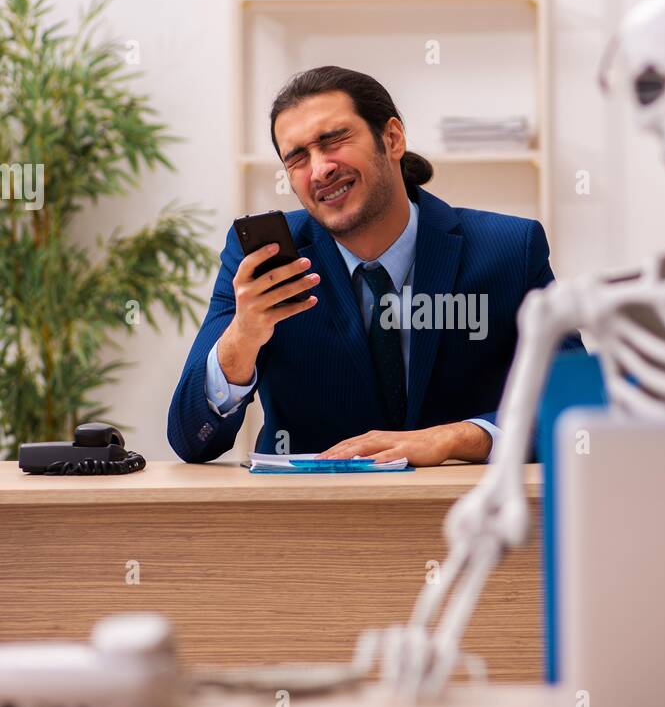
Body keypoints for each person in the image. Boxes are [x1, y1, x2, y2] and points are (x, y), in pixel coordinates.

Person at [167, 66, 583, 465]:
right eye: (297, 158)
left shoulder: (510, 249)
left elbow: (576, 410)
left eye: (334, 140)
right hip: (310, 525)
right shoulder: (262, 265)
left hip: (466, 518)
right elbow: (192, 439)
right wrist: (243, 337)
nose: (320, 169)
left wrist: (454, 437)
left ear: (393, 138)